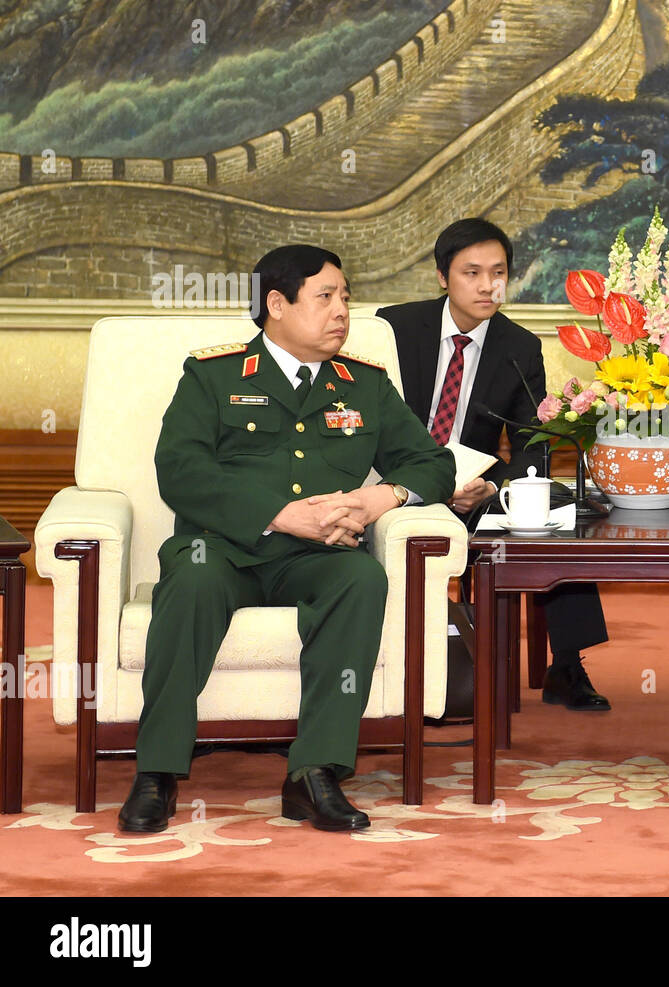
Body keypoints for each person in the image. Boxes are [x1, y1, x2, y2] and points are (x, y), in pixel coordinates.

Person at [118, 244, 456, 835]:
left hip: (318, 555)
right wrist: (278, 513)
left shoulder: (365, 384)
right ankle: (157, 773)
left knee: (361, 578)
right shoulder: (214, 375)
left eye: (345, 297)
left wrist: (382, 498)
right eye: (325, 297)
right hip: (220, 546)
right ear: (276, 304)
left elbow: (432, 464)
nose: (342, 311)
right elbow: (181, 471)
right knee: (191, 581)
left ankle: (313, 773)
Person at [377, 218, 612, 711]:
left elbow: (532, 445)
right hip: (396, 486)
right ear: (442, 277)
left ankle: (566, 665)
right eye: (472, 272)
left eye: (499, 272)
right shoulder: (394, 327)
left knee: (558, 515)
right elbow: (368, 423)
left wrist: (494, 485)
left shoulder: (519, 347)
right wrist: (420, 482)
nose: (488, 285)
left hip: (474, 491)